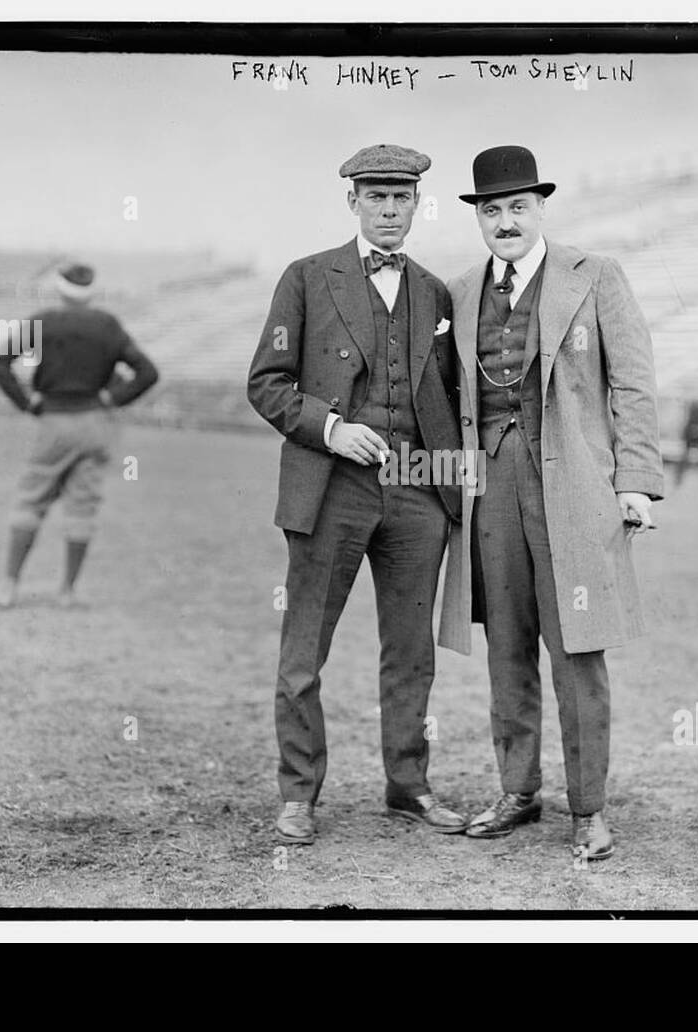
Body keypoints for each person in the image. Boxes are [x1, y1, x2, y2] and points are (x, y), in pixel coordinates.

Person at [437, 146, 664, 861]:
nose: (506, 221)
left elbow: (632, 383)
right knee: (506, 643)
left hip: (572, 486)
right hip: (490, 487)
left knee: (577, 649)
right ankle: (518, 789)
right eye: (492, 210)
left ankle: (589, 808)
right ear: (479, 218)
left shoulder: (595, 277)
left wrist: (635, 480)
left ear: (541, 209)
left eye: (518, 207)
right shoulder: (461, 290)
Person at [246, 144, 467, 846]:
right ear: (353, 202)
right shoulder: (307, 278)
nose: (391, 209)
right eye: (377, 197)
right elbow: (267, 384)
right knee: (305, 647)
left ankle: (408, 784)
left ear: (418, 204)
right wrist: (333, 429)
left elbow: (454, 398)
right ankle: (299, 794)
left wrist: (450, 487)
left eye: (402, 198)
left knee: (412, 651)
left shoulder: (436, 292)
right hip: (331, 485)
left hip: (417, 494)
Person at [0, 262, 158, 608]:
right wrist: (111, 398)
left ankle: (8, 585)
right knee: (83, 507)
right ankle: (67, 590)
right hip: (96, 423)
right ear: (92, 291)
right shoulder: (107, 325)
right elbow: (147, 372)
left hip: (54, 420)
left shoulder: (43, 322)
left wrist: (26, 402)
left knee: (31, 499)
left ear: (59, 289)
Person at [675, 398, 698, 487]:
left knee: (686, 458)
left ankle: (678, 479)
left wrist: (694, 432)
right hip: (695, 435)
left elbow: (689, 424)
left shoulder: (694, 410)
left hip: (695, 435)